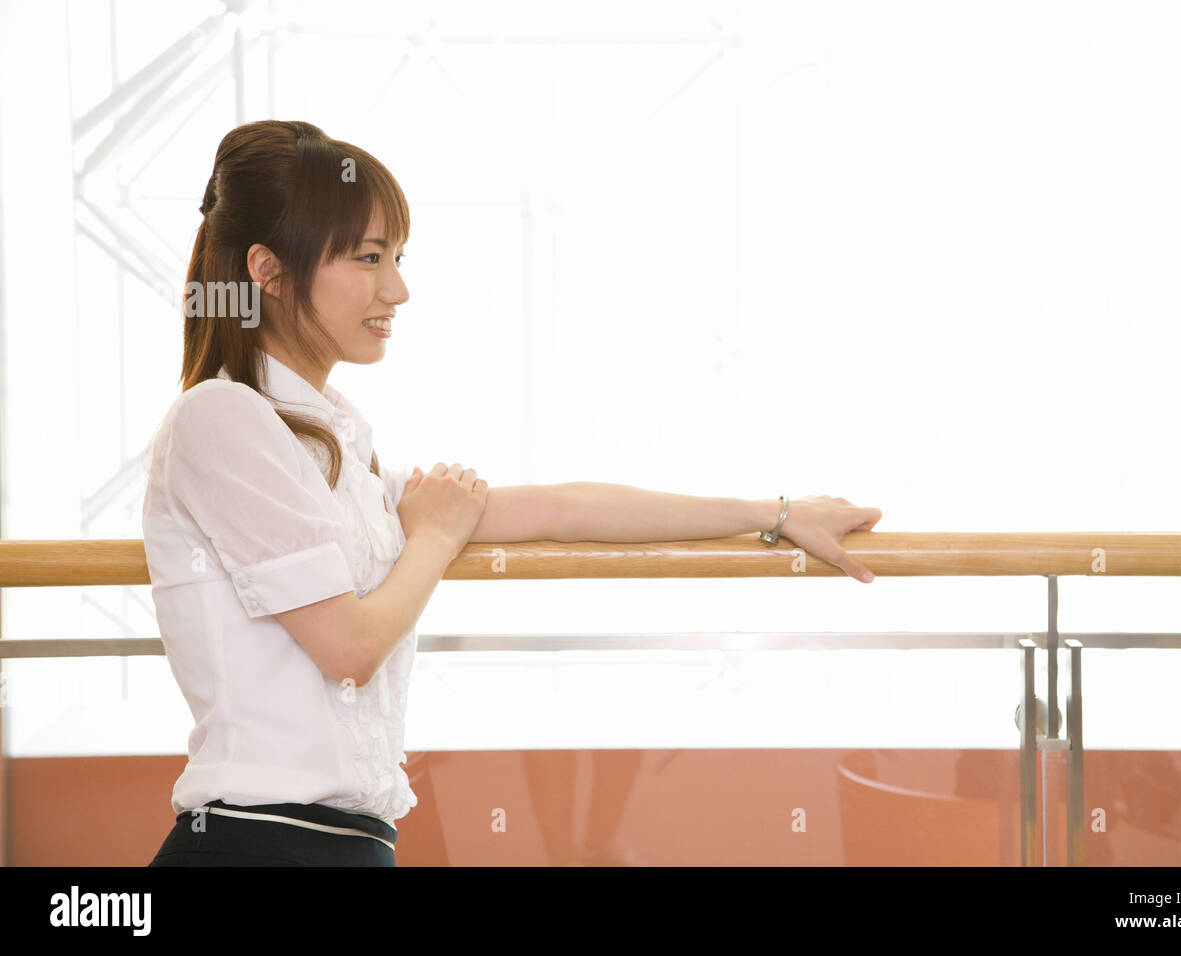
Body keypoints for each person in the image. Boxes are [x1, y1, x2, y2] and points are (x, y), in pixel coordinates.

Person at [143, 119, 883, 867]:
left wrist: (777, 515)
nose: (396, 289)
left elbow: (566, 509)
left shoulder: (345, 455)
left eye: (397, 258)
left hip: (342, 846)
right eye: (370, 259)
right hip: (256, 845)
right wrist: (432, 537)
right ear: (266, 270)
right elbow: (349, 647)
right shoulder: (221, 417)